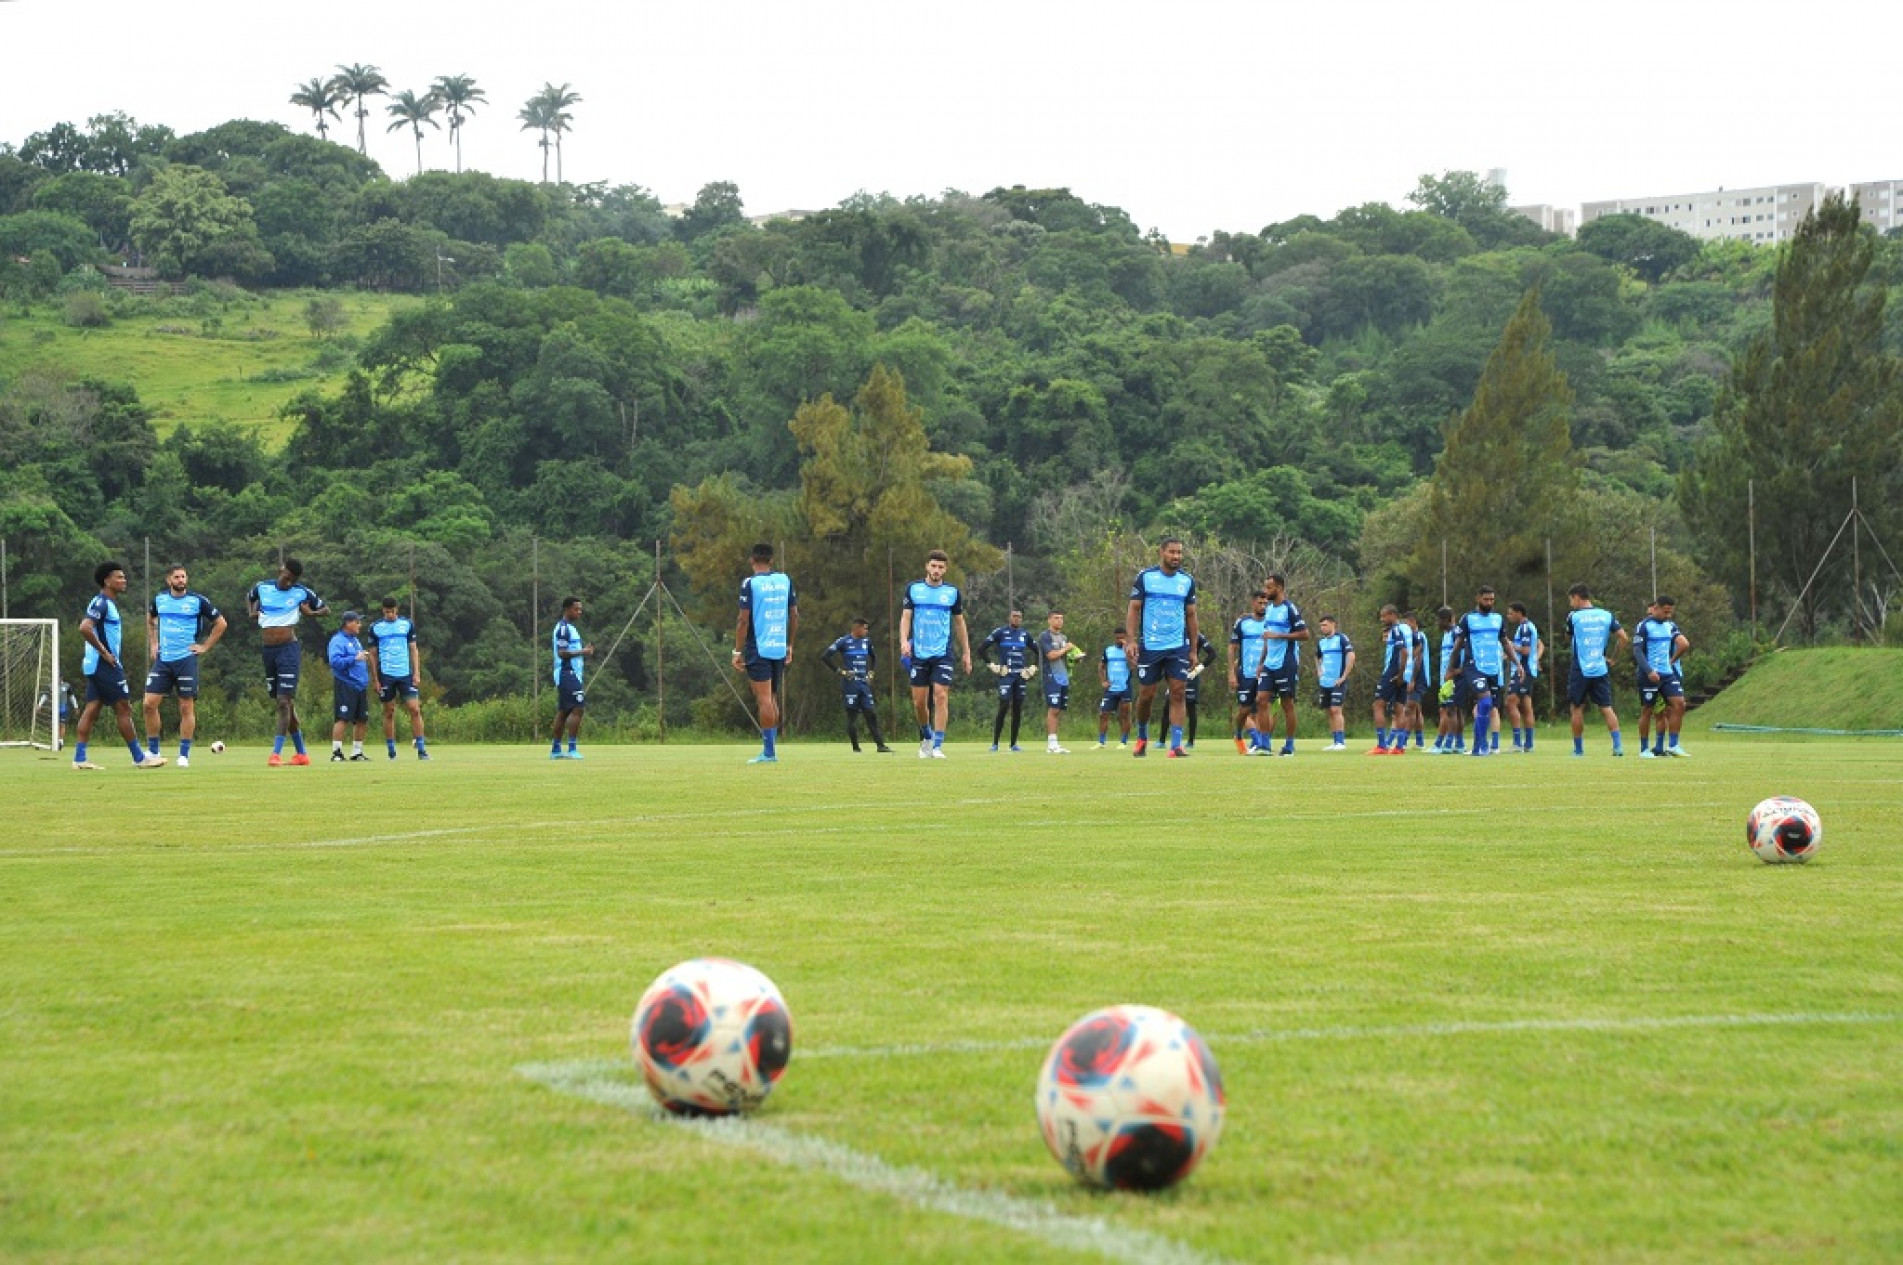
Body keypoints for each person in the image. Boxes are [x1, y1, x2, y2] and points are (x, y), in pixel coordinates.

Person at [72, 561, 166, 770]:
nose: (124, 580)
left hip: (96, 665)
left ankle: (79, 759)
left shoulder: (107, 603)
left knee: (92, 708)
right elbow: (85, 628)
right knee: (124, 708)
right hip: (104, 664)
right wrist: (105, 653)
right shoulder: (101, 603)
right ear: (107, 580)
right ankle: (140, 758)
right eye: (119, 577)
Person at [143, 564, 226, 768]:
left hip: (186, 659)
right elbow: (150, 619)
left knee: (186, 706)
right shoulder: (160, 600)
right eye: (177, 577)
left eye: (183, 576)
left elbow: (221, 623)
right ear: (168, 580)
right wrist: (153, 643)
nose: (181, 580)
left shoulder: (198, 601)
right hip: (163, 659)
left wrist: (205, 646)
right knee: (148, 704)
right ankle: (154, 751)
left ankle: (183, 755)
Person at [248, 558, 326, 767]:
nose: (288, 583)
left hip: (288, 650)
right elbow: (250, 598)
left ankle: (275, 754)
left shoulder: (302, 592)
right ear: (281, 570)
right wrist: (251, 611)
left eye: (292, 580)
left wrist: (312, 613)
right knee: (284, 703)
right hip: (268, 651)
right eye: (286, 578)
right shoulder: (262, 588)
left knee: (284, 701)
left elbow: (325, 609)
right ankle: (302, 754)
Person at [1126, 537, 1200, 758]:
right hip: (1150, 646)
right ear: (1161, 552)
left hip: (1177, 646)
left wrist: (1193, 649)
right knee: (1146, 695)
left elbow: (1192, 615)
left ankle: (1176, 745)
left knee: (1178, 693)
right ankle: (1141, 737)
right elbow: (1133, 609)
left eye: (1179, 553)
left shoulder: (1187, 581)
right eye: (1172, 552)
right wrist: (1130, 640)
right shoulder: (1146, 577)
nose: (1176, 556)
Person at [899, 549, 971, 759]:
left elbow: (959, 622)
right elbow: (905, 618)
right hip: (919, 653)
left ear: (945, 570)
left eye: (940, 567)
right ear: (927, 567)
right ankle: (927, 737)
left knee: (941, 694)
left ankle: (937, 745)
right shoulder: (913, 589)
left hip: (943, 653)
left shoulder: (951, 593)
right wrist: (904, 641)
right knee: (919, 702)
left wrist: (966, 652)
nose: (936, 570)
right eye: (933, 566)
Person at [733, 543, 797, 765]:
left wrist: (737, 651)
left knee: (764, 700)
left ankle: (769, 753)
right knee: (772, 698)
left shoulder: (750, 583)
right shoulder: (784, 580)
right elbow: (794, 614)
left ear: (752, 560)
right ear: (771, 561)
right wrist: (790, 644)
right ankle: (771, 749)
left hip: (758, 646)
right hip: (779, 646)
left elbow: (743, 620)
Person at [1448, 585, 1514, 758]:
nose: (1489, 602)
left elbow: (1505, 643)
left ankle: (1478, 747)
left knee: (1489, 706)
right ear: (1478, 599)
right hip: (1473, 666)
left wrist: (1518, 664)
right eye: (1486, 599)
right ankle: (1482, 745)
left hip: (1493, 667)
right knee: (1484, 703)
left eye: (1492, 599)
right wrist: (1450, 667)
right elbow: (1457, 646)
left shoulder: (1498, 619)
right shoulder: (1468, 619)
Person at [1565, 583, 1628, 757]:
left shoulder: (1573, 616)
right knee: (1606, 707)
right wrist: (1613, 658)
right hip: (1600, 667)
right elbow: (1623, 638)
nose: (1571, 603)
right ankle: (1617, 747)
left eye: (1571, 599)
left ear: (1577, 597)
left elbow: (1569, 636)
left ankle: (1578, 750)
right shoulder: (1606, 615)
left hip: (1580, 668)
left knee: (1576, 707)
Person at [1255, 573, 1308, 756]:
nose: (1266, 591)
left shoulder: (1289, 609)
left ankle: (1289, 745)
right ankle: (1264, 744)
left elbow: (1304, 634)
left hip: (1286, 662)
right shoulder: (1269, 609)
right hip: (1269, 663)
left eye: (1269, 587)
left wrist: (1279, 636)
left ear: (1279, 588)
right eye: (1265, 587)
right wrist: (1261, 662)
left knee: (1287, 704)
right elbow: (1267, 638)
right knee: (1261, 699)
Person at [820, 618, 892, 753]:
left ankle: (880, 745)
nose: (867, 631)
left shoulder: (867, 642)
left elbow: (874, 657)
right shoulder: (844, 641)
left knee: (870, 713)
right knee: (852, 716)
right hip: (850, 684)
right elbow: (825, 656)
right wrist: (840, 671)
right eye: (865, 628)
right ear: (857, 628)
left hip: (864, 683)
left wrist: (871, 672)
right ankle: (856, 747)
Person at [370, 598, 429, 761]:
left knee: (415, 709)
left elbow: (413, 649)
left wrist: (417, 672)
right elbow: (373, 655)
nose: (389, 614)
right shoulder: (375, 627)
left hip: (405, 674)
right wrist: (375, 679)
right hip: (386, 675)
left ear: (397, 610)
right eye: (386, 611)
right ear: (383, 610)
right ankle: (391, 751)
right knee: (389, 711)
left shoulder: (407, 625)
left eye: (392, 611)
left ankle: (422, 750)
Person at [1634, 596, 1691, 758]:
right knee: (1647, 710)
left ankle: (1673, 745)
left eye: (1670, 612)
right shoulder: (1644, 626)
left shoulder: (1670, 626)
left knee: (1679, 704)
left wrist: (1671, 662)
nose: (1668, 615)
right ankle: (1644, 749)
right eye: (1665, 612)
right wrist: (1649, 671)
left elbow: (1683, 643)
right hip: (1649, 675)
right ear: (1656, 608)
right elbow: (1637, 651)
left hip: (1667, 673)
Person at [979, 609, 1036, 753]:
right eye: (1014, 616)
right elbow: (981, 649)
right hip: (1006, 674)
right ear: (1009, 618)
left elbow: (1039, 651)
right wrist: (992, 665)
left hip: (1020, 676)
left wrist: (1033, 668)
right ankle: (995, 743)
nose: (1016, 619)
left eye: (1019, 617)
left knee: (1017, 708)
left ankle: (1013, 744)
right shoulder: (1000, 632)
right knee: (1004, 705)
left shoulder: (1025, 634)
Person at [549, 597, 592, 759]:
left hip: (572, 673)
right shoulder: (563, 629)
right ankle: (572, 749)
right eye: (576, 609)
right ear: (567, 609)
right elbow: (562, 653)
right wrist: (583, 652)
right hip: (566, 672)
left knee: (564, 711)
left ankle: (556, 750)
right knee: (578, 707)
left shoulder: (572, 628)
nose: (579, 612)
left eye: (580, 609)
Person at [328, 611, 374, 762]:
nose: (360, 625)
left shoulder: (355, 640)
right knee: (343, 717)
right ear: (348, 623)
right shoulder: (338, 641)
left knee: (362, 719)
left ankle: (357, 752)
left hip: (359, 685)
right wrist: (354, 658)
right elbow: (335, 662)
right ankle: (336, 752)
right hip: (346, 683)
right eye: (357, 622)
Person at [1228, 591, 1269, 755]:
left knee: (1262, 706)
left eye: (1265, 603)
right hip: (1246, 673)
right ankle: (1238, 734)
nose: (1263, 606)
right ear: (1253, 603)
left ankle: (1259, 742)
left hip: (1266, 673)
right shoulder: (1243, 622)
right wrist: (1231, 672)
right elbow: (1232, 648)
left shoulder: (1271, 622)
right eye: (1260, 603)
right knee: (1244, 711)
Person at [1369, 604, 1413, 754]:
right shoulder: (1407, 628)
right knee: (1399, 709)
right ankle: (1399, 747)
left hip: (1394, 671)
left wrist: (1399, 675)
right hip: (1406, 672)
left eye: (1384, 616)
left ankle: (1382, 746)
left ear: (1393, 615)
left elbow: (1405, 652)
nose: (1382, 619)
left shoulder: (1396, 630)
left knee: (1378, 705)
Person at [1504, 602, 1543, 753]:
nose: (1509, 616)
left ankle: (1517, 743)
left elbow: (1526, 650)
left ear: (1519, 613)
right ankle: (1529, 744)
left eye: (1511, 613)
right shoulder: (1525, 627)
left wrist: (1511, 645)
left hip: (1523, 671)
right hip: (1527, 669)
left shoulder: (1525, 627)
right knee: (1526, 707)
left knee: (1510, 702)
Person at [1313, 615, 1355, 750]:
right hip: (1325, 682)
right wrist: (1319, 671)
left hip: (1338, 681)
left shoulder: (1341, 638)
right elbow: (1317, 656)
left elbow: (1351, 656)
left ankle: (1341, 742)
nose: (1322, 628)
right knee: (1329, 711)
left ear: (1333, 624)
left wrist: (1343, 676)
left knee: (1336, 709)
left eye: (1325, 625)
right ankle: (1335, 741)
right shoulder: (1322, 642)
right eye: (1321, 626)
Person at [1035, 610, 1073, 755]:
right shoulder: (1045, 636)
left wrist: (1074, 657)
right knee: (1053, 709)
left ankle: (1055, 742)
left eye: (1061, 618)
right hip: (1051, 676)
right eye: (1056, 618)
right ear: (1049, 620)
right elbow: (1051, 655)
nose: (1060, 621)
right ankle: (1051, 744)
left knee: (1059, 710)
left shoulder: (1063, 637)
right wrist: (1066, 649)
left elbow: (1064, 656)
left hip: (1063, 676)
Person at [1432, 606, 1464, 753]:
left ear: (1446, 620)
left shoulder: (1456, 632)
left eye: (1439, 620)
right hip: (1446, 679)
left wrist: (1458, 670)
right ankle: (1459, 744)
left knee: (1450, 710)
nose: (1437, 623)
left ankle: (1448, 744)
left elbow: (1464, 652)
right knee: (1454, 711)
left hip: (1455, 678)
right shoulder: (1447, 634)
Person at [1096, 627, 1134, 749]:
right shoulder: (1109, 650)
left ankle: (1123, 741)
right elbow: (1101, 665)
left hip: (1125, 687)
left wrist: (1126, 651)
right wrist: (1103, 681)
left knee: (1124, 715)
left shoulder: (1130, 650)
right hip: (1111, 688)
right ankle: (1101, 742)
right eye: (1117, 638)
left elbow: (1133, 665)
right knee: (1103, 714)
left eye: (1122, 638)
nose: (1119, 640)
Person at [1182, 631, 1217, 749]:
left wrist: (1197, 669)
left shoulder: (1197, 635)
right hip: (1175, 674)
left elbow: (1212, 653)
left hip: (1191, 675)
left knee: (1191, 708)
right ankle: (1162, 740)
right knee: (1168, 705)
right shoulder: (1174, 633)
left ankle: (1190, 741)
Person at [1401, 610, 1428, 749]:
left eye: (1406, 624)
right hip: (1414, 677)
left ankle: (1403, 741)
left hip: (1418, 678)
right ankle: (1420, 741)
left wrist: (1412, 679)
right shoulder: (1412, 637)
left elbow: (1418, 659)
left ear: (1412, 622)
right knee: (1416, 709)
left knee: (1409, 708)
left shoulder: (1418, 637)